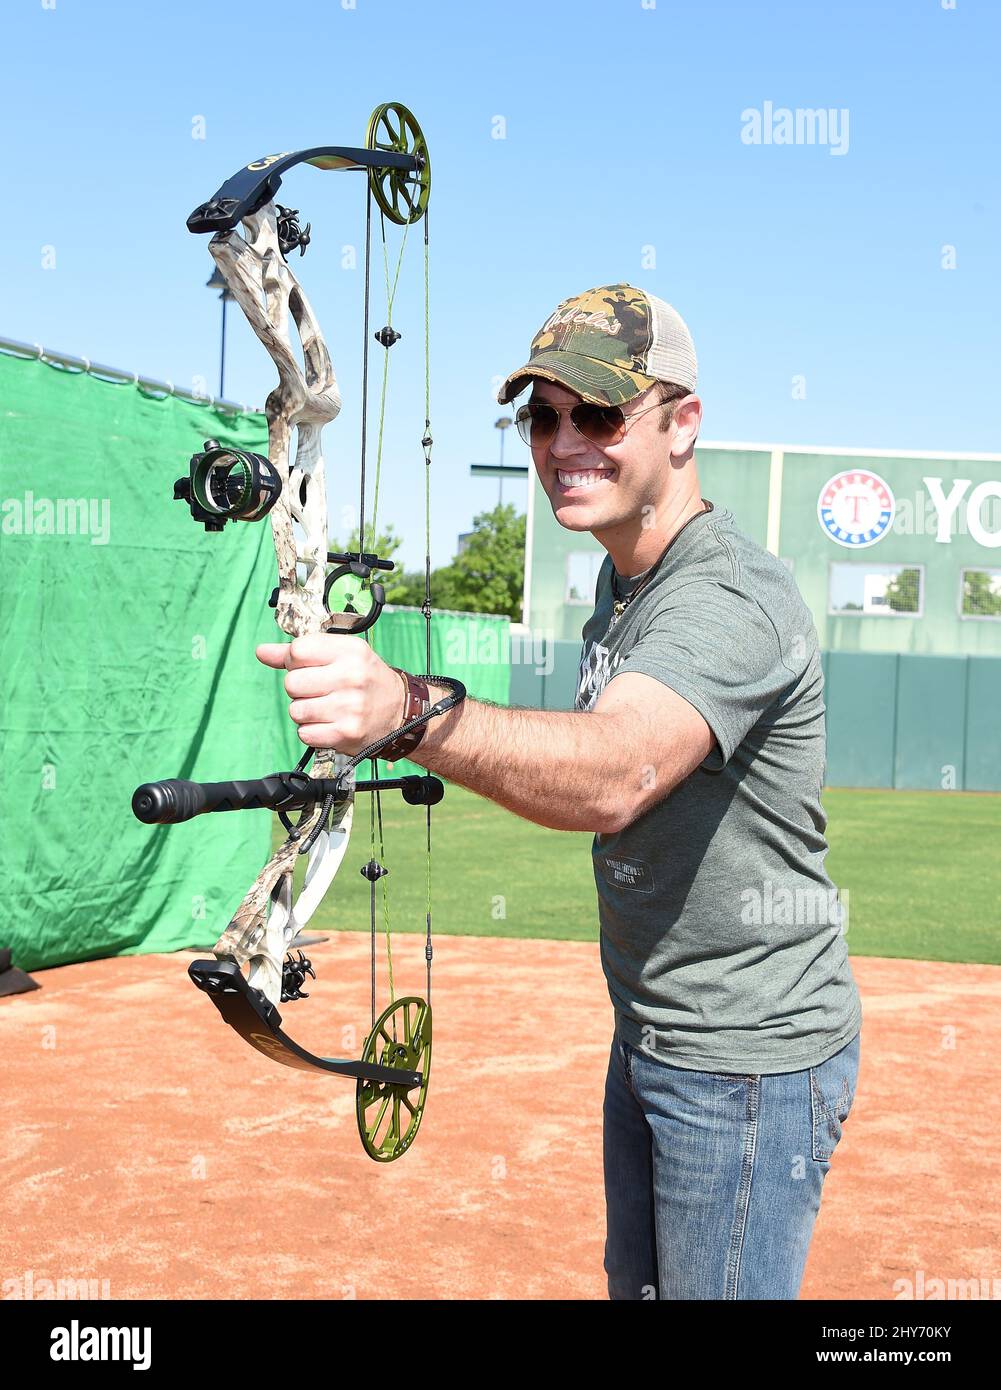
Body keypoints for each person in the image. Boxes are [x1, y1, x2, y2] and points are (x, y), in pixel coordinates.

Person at [259, 283, 862, 1300]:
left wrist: (407, 711)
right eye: (540, 416)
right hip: (653, 1035)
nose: (561, 439)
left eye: (598, 412)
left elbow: (617, 769)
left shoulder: (727, 593)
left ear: (683, 425)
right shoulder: (621, 578)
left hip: (744, 1065)